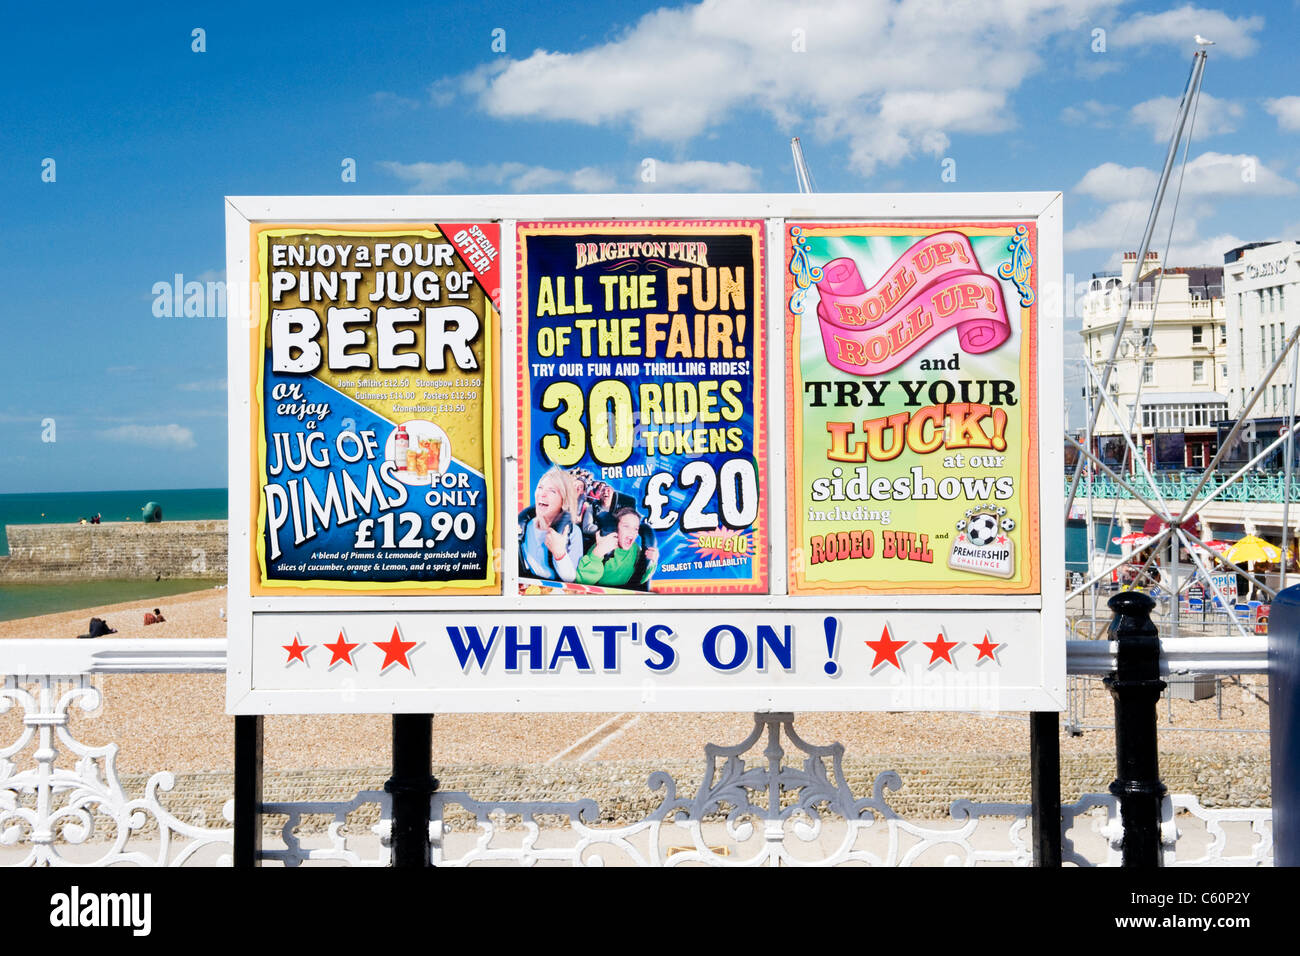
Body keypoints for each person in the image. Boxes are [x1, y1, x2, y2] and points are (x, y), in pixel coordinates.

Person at [518, 467, 583, 582]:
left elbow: (570, 579)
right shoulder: (523, 526)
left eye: (552, 491)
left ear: (564, 501)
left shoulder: (573, 532)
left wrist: (559, 553)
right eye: (540, 488)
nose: (542, 494)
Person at [576, 507, 658, 589]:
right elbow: (583, 582)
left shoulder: (636, 550)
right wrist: (597, 554)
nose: (632, 533)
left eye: (636, 529)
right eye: (626, 526)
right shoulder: (603, 544)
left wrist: (650, 562)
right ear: (616, 528)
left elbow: (640, 579)